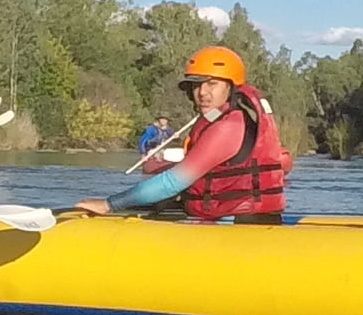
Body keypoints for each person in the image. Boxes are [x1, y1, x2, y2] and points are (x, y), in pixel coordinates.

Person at [74, 45, 289, 222]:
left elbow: (173, 183)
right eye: (196, 85)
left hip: (237, 227)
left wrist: (109, 204)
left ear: (230, 88)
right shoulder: (238, 118)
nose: (202, 93)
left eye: (212, 83)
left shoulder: (228, 126)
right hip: (241, 218)